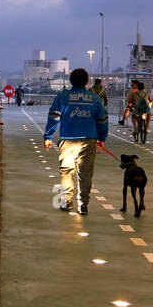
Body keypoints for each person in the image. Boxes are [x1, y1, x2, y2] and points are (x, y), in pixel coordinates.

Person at [44, 68, 108, 216]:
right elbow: (103, 120)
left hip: (67, 141)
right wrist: (101, 139)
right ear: (87, 81)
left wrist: (48, 137)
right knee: (85, 174)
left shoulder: (63, 97)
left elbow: (53, 117)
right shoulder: (95, 99)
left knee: (66, 172)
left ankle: (67, 201)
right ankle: (83, 205)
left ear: (71, 80)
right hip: (88, 141)